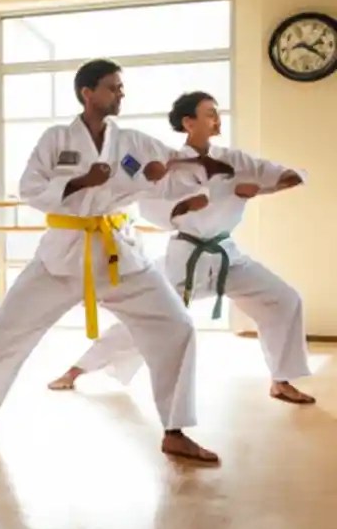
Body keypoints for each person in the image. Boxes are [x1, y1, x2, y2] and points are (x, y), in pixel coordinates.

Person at [0, 59, 221, 463]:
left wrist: (166, 173)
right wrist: (82, 181)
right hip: (61, 258)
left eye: (120, 87)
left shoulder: (133, 140)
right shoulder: (56, 138)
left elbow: (175, 168)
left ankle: (175, 430)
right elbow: (30, 188)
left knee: (178, 325)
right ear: (88, 93)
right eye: (113, 88)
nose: (120, 94)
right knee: (7, 329)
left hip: (121, 256)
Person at [48, 91, 313, 404]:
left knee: (284, 299)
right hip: (184, 259)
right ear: (189, 122)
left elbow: (287, 175)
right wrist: (190, 204)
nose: (217, 119)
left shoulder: (235, 160)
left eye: (217, 113)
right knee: (146, 319)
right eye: (210, 113)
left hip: (227, 255)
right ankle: (77, 370)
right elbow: (151, 206)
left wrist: (261, 188)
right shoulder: (169, 164)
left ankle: (281, 381)